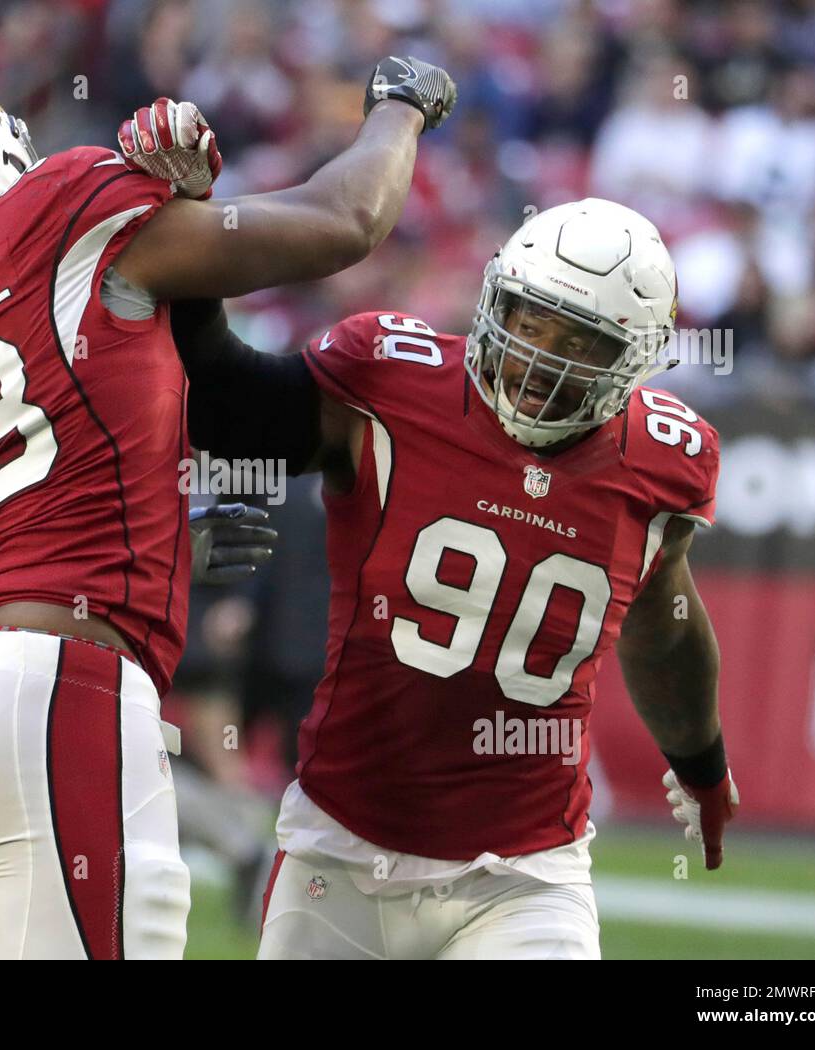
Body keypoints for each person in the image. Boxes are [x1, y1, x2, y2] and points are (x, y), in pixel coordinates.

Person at [0, 62, 456, 959]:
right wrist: (400, 105)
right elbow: (344, 220)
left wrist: (146, 537)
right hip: (49, 695)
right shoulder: (60, 208)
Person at [151, 128, 737, 956]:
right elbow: (223, 403)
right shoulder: (391, 380)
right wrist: (190, 227)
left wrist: (701, 759)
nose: (543, 358)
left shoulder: (665, 463)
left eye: (583, 345)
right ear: (497, 298)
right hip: (339, 849)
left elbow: (663, 620)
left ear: (634, 361)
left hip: (525, 871)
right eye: (534, 321)